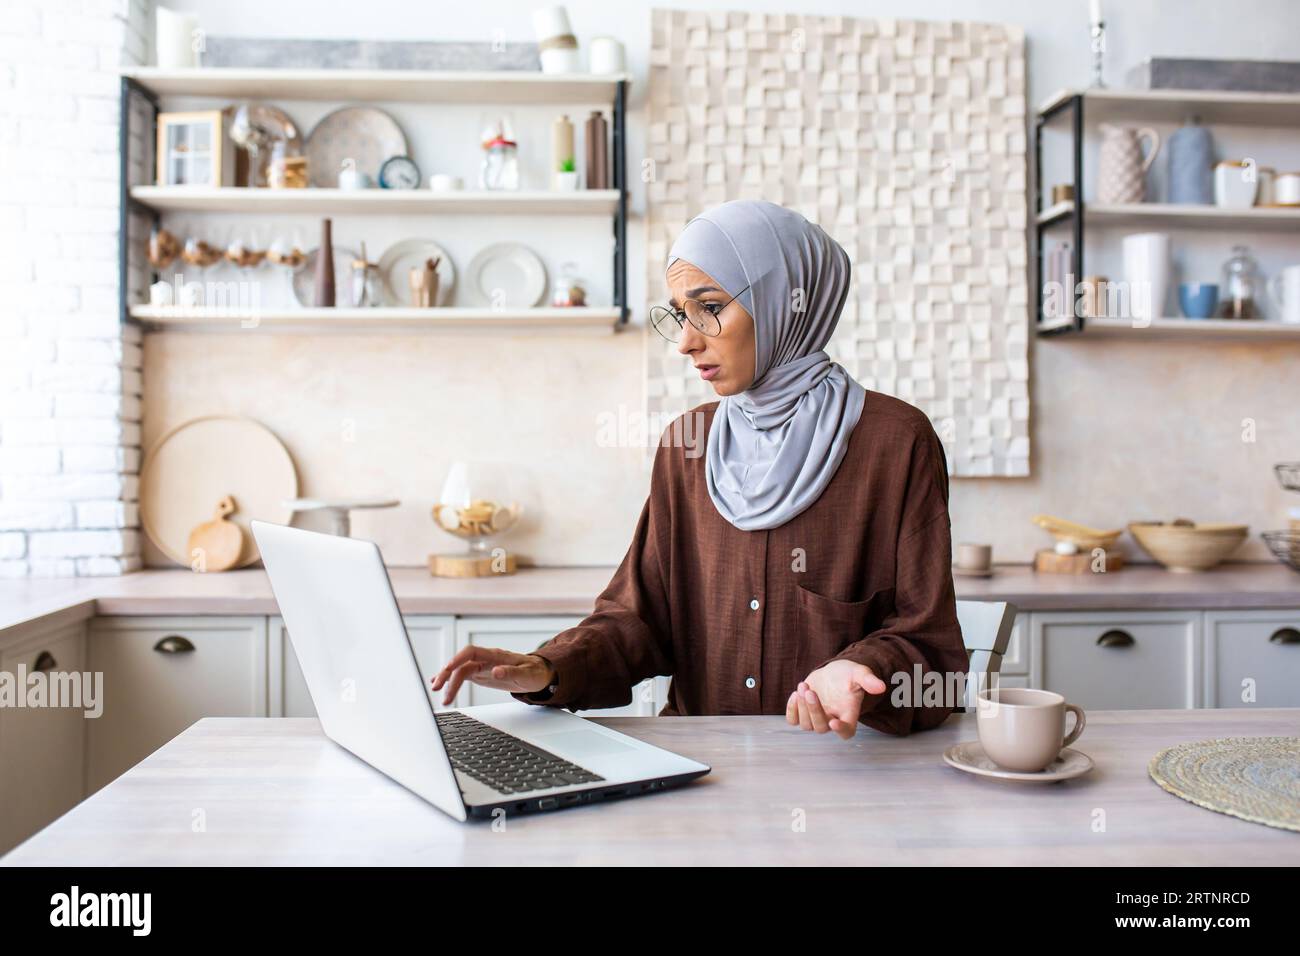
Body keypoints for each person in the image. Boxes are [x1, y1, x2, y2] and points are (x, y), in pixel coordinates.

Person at [432, 200, 968, 739]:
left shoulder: (896, 442)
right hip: (698, 767)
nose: (688, 341)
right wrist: (551, 669)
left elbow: (931, 648)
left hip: (840, 769)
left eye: (709, 307)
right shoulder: (688, 445)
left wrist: (866, 667)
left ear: (785, 301)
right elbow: (639, 619)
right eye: (680, 314)